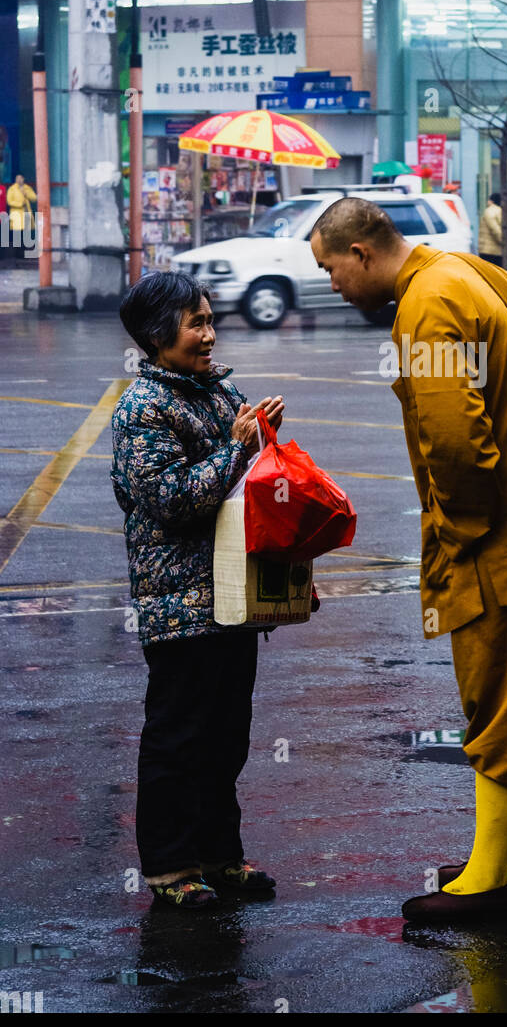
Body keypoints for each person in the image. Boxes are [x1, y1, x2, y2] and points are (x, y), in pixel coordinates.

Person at [309, 200, 507, 924]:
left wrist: (459, 531)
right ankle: (504, 863)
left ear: (361, 253)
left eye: (329, 269)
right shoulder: (463, 271)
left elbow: (456, 441)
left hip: (503, 546)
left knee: (499, 707)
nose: (330, 283)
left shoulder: (427, 305)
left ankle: (487, 883)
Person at [111, 271, 287, 910]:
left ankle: (220, 856)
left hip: (234, 595)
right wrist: (238, 450)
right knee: (178, 737)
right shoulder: (144, 409)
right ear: (159, 337)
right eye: (196, 324)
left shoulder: (217, 391)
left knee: (227, 735)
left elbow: (246, 492)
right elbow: (169, 500)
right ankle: (169, 867)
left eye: (211, 321)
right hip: (180, 602)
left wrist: (260, 441)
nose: (210, 335)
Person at [6, 172, 37, 260]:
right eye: (17, 178)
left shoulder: (27, 188)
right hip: (16, 216)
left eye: (21, 178)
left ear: (24, 179)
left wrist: (26, 193)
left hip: (26, 215)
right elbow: (9, 201)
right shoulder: (12, 189)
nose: (19, 180)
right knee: (17, 236)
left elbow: (34, 198)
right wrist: (20, 204)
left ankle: (25, 255)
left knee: (26, 236)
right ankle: (17, 256)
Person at [478, 191, 503, 266]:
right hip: (496, 250)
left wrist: (502, 241)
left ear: (491, 201)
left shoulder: (489, 211)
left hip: (488, 251)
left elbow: (495, 229)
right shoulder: (500, 211)